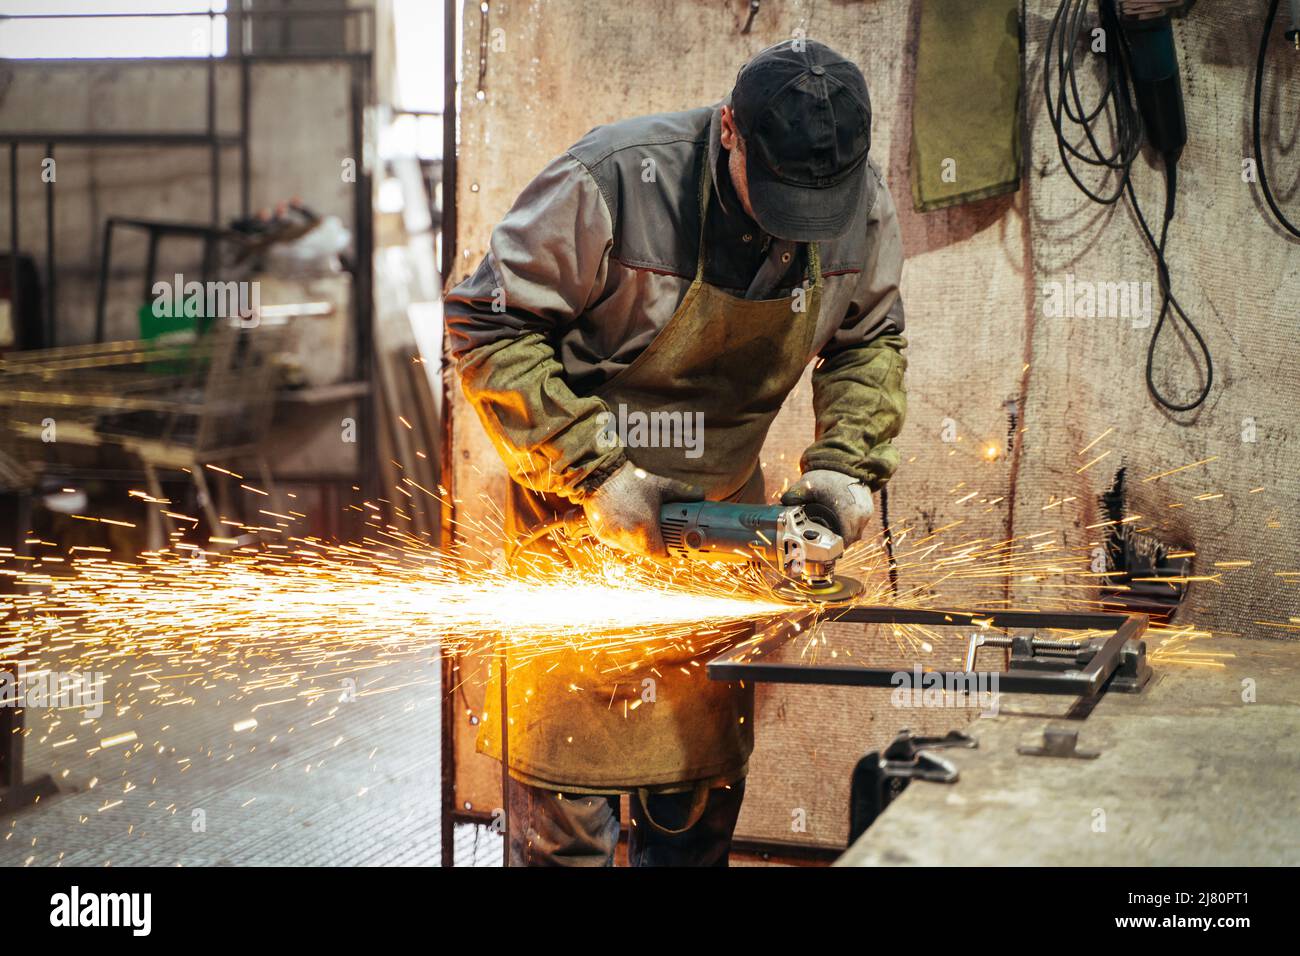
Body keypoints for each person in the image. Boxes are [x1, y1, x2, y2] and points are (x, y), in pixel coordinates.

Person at [445, 38, 907, 866]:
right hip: (578, 533)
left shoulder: (858, 202)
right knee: (567, 842)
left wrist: (845, 466)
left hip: (722, 534)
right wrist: (599, 473)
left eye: (815, 206)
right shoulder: (615, 180)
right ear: (729, 129)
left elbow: (868, 340)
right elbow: (487, 322)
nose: (788, 225)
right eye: (774, 197)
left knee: (692, 826)